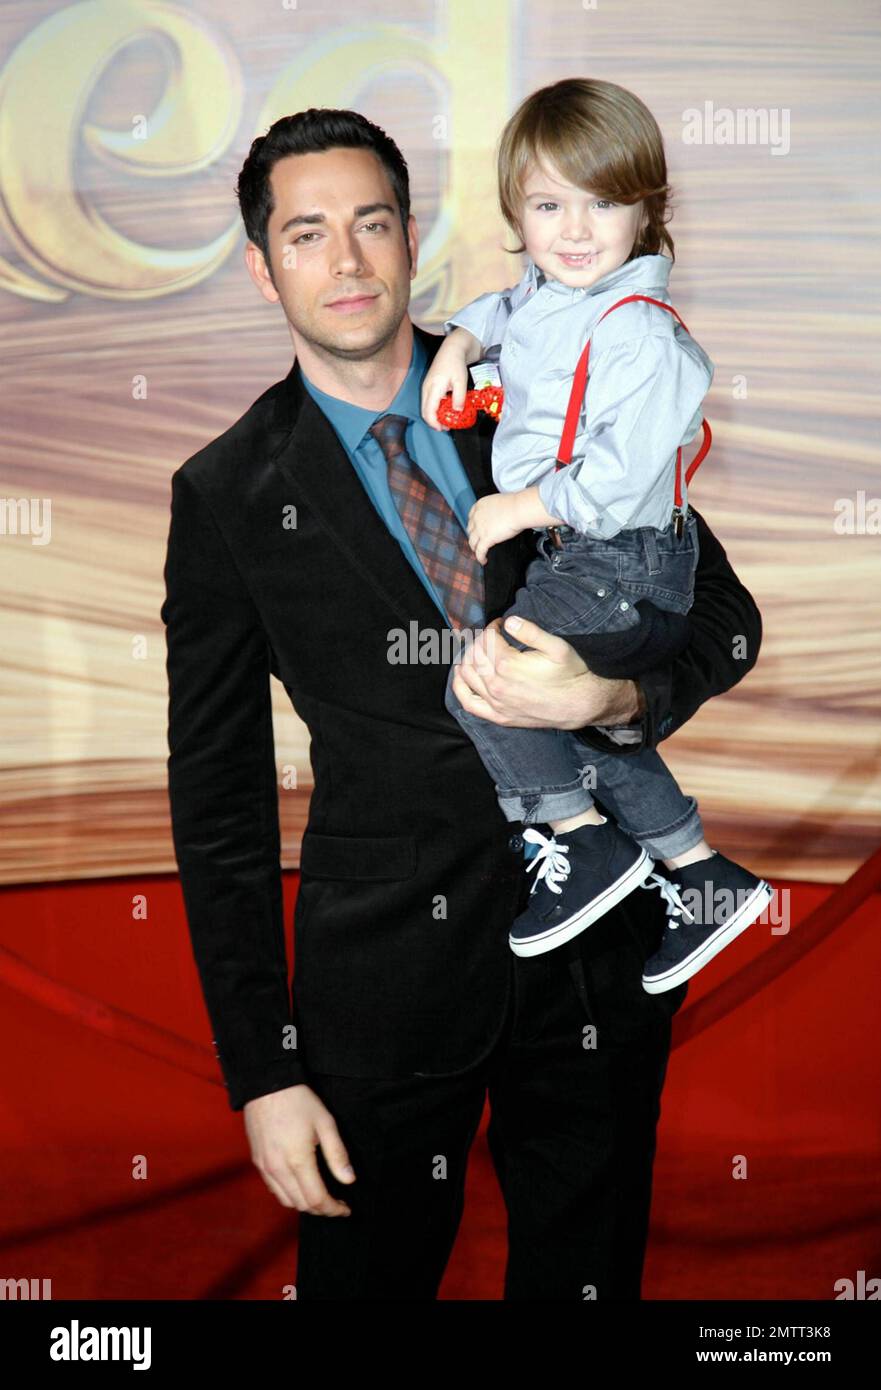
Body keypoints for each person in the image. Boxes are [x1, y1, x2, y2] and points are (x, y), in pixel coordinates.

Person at [160, 105, 764, 1300]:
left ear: (411, 234)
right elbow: (218, 799)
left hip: (598, 960)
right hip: (382, 986)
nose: (346, 262)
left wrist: (616, 691)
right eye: (307, 234)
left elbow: (722, 619)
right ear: (259, 262)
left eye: (372, 224)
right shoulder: (226, 495)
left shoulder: (545, 375)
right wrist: (263, 1072)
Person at [422, 78, 771, 985]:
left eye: (603, 203)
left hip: (623, 558)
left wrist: (519, 508)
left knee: (484, 686)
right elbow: (510, 309)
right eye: (546, 205)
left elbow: (616, 483)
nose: (573, 232)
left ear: (648, 209)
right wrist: (460, 342)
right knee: (563, 718)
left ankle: (583, 841)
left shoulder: (641, 334)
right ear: (515, 211)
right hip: (594, 558)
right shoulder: (555, 295)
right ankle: (698, 872)